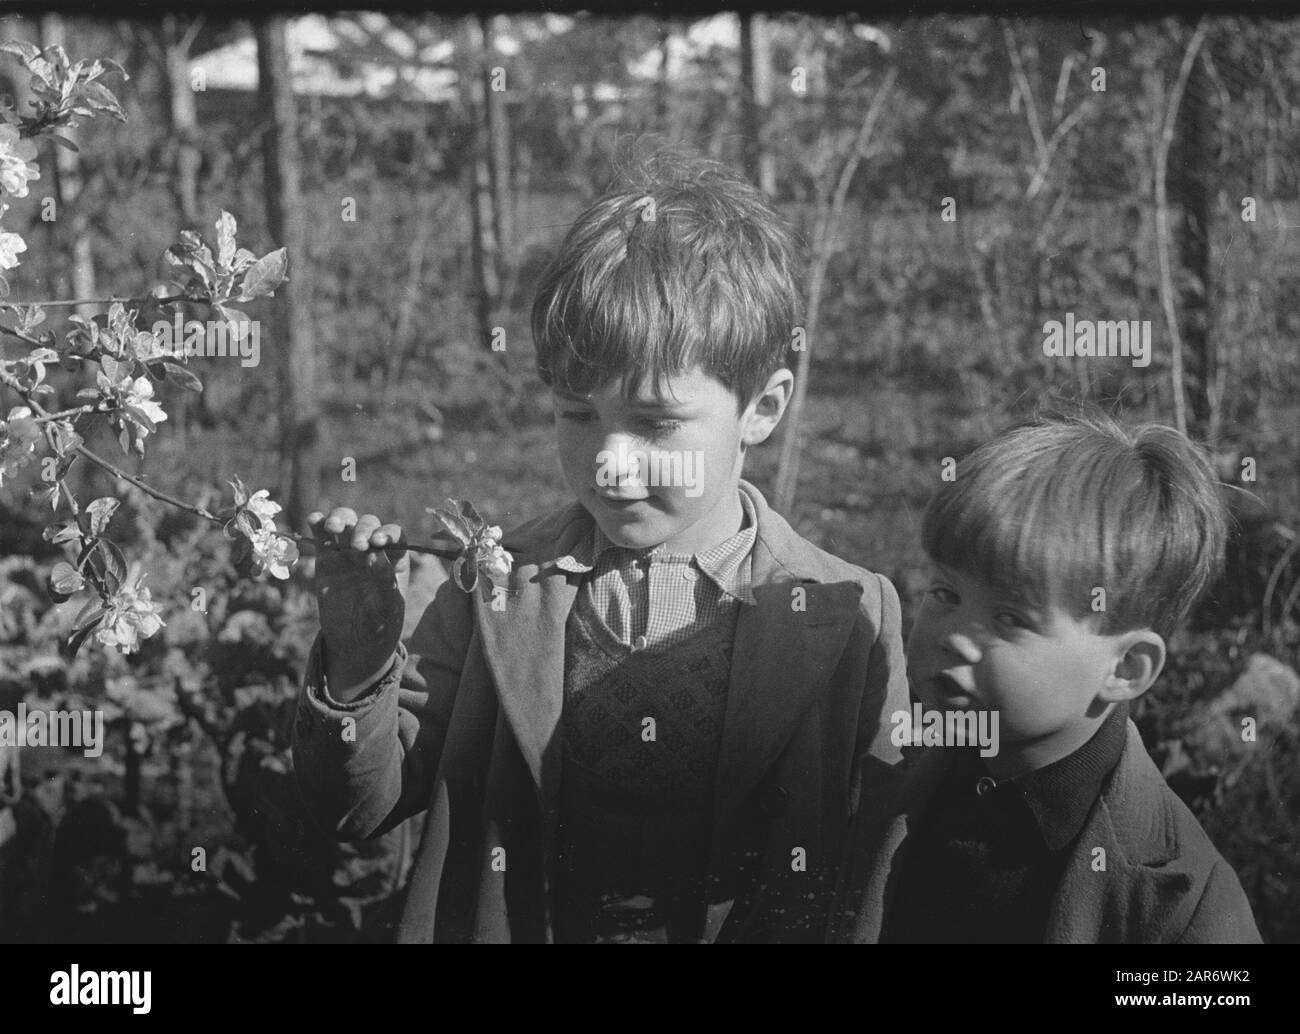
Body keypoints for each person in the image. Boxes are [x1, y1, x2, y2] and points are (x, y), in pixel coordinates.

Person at [292, 151, 909, 943]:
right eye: (576, 415)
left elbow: (877, 885)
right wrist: (358, 669)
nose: (610, 464)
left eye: (654, 423)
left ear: (762, 408)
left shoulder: (852, 616)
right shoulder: (494, 585)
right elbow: (357, 804)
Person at [829, 410, 1261, 943]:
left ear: (1125, 668)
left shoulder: (1182, 906)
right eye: (946, 594)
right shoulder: (877, 775)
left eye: (1011, 618)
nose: (954, 636)